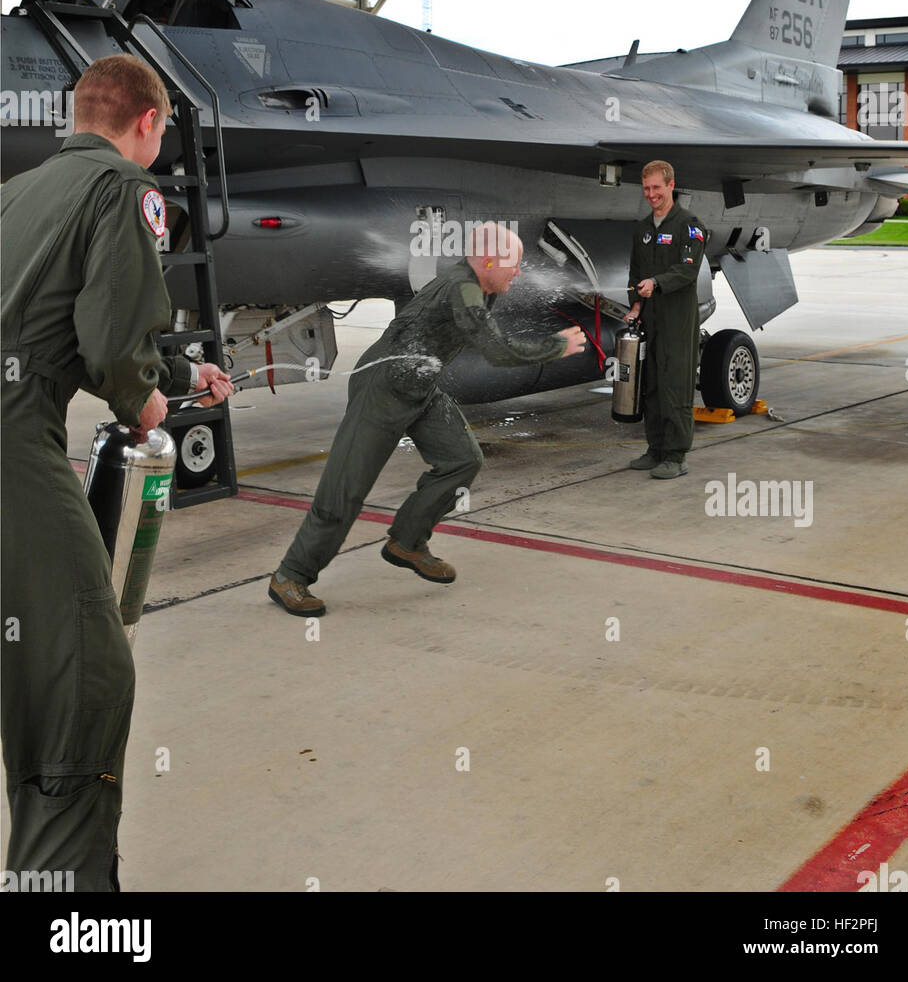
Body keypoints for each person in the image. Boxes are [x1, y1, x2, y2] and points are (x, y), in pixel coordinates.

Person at [0, 53, 233, 892]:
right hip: (12, 448)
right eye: (163, 130)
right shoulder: (125, 194)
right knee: (87, 679)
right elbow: (108, 346)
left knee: (33, 671)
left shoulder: (16, 194)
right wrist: (144, 400)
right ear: (147, 122)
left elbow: (54, 322)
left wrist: (177, 375)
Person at [270, 222, 586, 615]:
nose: (518, 272)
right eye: (513, 264)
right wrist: (557, 346)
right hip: (383, 386)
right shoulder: (465, 288)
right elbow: (496, 350)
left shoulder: (481, 284)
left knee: (463, 459)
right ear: (487, 260)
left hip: (420, 384)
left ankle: (407, 541)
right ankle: (291, 576)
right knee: (345, 489)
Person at [624, 160, 708, 479]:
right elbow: (635, 272)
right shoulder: (643, 229)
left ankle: (676, 455)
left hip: (677, 318)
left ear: (671, 185)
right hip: (651, 317)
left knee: (675, 384)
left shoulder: (690, 225)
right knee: (652, 386)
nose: (651, 194)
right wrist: (635, 305)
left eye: (657, 187)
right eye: (646, 188)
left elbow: (687, 271)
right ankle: (655, 448)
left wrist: (656, 283)